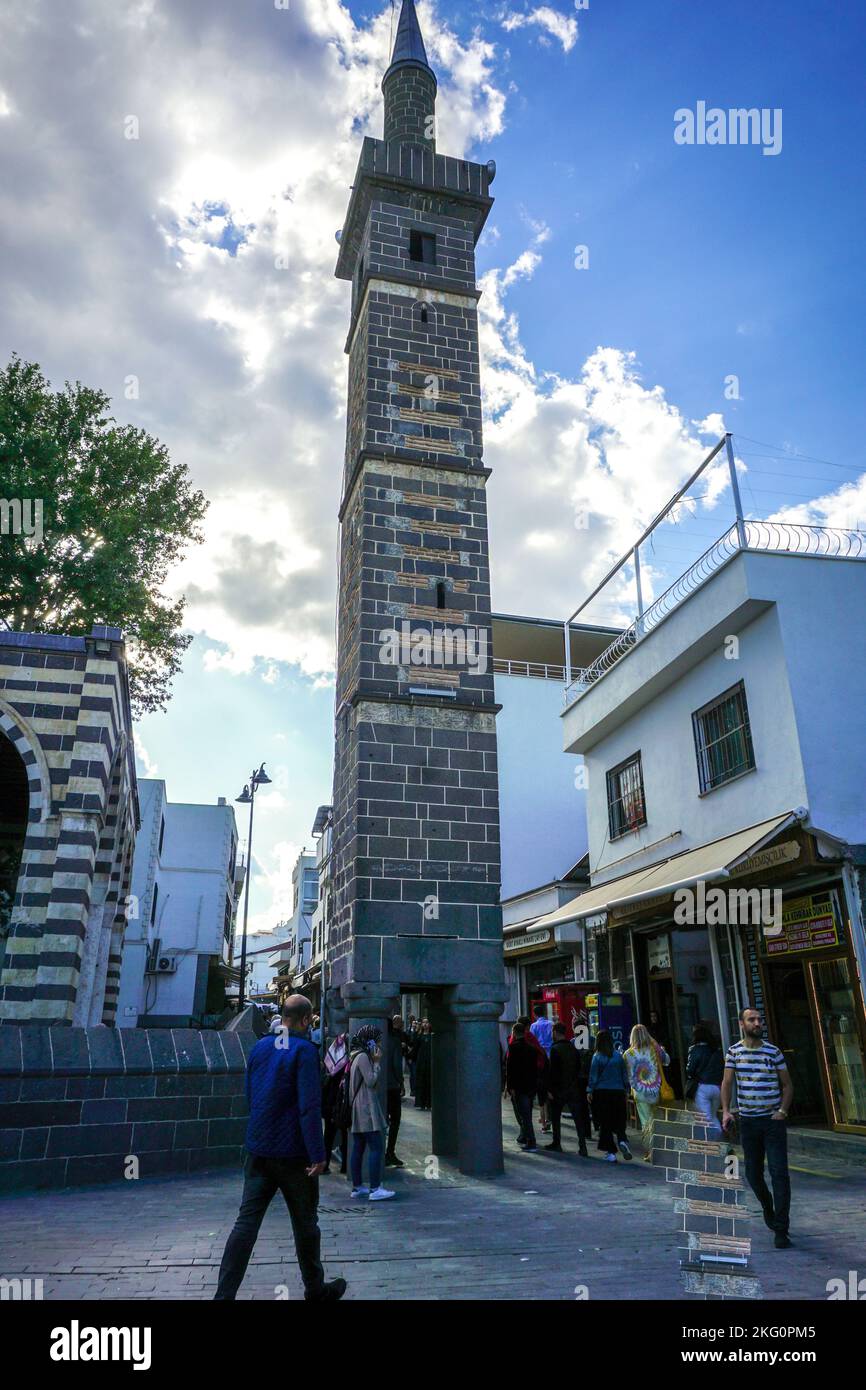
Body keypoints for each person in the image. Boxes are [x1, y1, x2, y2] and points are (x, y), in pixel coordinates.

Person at [214, 994, 346, 1301]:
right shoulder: (304, 1052)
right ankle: (315, 1288)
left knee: (245, 1223)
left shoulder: (260, 1047)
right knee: (305, 1224)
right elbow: (309, 1107)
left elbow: (251, 1095)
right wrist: (317, 1153)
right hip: (294, 1155)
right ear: (304, 1020)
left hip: (258, 1148)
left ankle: (223, 1296)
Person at [721, 1007, 794, 1249]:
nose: (756, 1023)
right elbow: (728, 1082)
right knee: (753, 1173)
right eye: (751, 1020)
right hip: (749, 1122)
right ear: (742, 1024)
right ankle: (767, 1205)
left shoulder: (773, 1052)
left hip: (772, 1122)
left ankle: (781, 1228)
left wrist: (782, 1111)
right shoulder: (734, 1052)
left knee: (779, 1173)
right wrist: (727, 1111)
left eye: (758, 1019)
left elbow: (787, 1085)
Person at [348, 1025, 395, 1201]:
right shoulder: (363, 1058)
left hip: (358, 1106)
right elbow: (371, 1080)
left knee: (359, 1146)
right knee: (376, 1146)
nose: (379, 1043)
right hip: (365, 1106)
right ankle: (375, 1187)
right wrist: (376, 1063)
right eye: (377, 1040)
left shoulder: (355, 1056)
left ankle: (358, 1186)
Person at [623, 1023, 670, 1161]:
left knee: (646, 1122)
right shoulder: (654, 1050)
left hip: (640, 1092)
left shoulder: (628, 1054)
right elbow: (667, 1060)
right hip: (655, 1089)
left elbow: (627, 1074)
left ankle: (652, 1151)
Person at [588, 1028, 632, 1163]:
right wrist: (626, 1089)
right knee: (619, 1119)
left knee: (605, 1122)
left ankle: (610, 1152)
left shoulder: (597, 1056)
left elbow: (593, 1076)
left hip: (602, 1093)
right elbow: (624, 1074)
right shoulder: (618, 1056)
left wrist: (589, 1090)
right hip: (618, 1092)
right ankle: (622, 1140)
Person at [545, 1022, 589, 1155]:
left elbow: (553, 1072)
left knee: (556, 1117)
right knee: (578, 1118)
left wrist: (550, 1089)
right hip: (573, 1088)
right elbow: (577, 1068)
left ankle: (556, 1142)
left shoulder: (555, 1049)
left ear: (555, 1032)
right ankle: (583, 1146)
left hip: (559, 1089)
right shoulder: (573, 1048)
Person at [686, 1024, 724, 1140]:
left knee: (705, 1119)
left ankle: (714, 1145)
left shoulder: (695, 1050)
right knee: (713, 1116)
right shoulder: (716, 1050)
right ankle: (720, 1141)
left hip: (702, 1087)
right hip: (717, 1087)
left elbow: (690, 1070)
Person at [506, 1022, 539, 1152]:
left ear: (514, 1032)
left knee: (523, 1115)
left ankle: (530, 1140)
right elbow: (534, 1069)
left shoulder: (513, 1048)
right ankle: (526, 1137)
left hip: (519, 1086)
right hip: (530, 1085)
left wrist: (510, 1087)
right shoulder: (531, 1049)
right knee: (527, 1113)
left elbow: (511, 1068)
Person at [322, 1032, 350, 1175]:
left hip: (329, 1105)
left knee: (328, 1135)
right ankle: (345, 1165)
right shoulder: (346, 1067)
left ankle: (325, 1163)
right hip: (340, 1105)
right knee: (345, 1136)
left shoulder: (329, 1065)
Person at [385, 1015, 406, 1168]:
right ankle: (390, 1152)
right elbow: (397, 1065)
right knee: (395, 1120)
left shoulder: (373, 1042)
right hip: (392, 1085)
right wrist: (401, 1082)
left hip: (377, 1086)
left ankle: (380, 1152)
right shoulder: (394, 1041)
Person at [413, 1018, 432, 1110]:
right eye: (424, 1022)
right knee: (421, 1082)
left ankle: (429, 1103)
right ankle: (421, 1103)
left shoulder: (432, 1036)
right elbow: (414, 1047)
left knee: (429, 1082)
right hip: (421, 1062)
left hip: (429, 1062)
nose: (425, 1024)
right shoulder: (419, 1036)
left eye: (427, 1022)